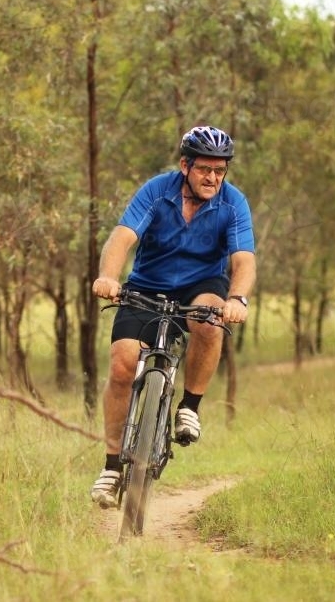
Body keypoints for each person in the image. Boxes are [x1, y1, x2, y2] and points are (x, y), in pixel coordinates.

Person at [89, 125, 256, 509]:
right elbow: (123, 237)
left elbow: (243, 259)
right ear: (185, 165)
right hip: (147, 285)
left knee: (211, 322)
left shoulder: (233, 203)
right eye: (204, 169)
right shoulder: (156, 191)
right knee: (121, 364)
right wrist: (108, 277)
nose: (213, 178)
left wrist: (238, 298)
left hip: (202, 285)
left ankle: (189, 407)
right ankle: (112, 466)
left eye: (220, 170)